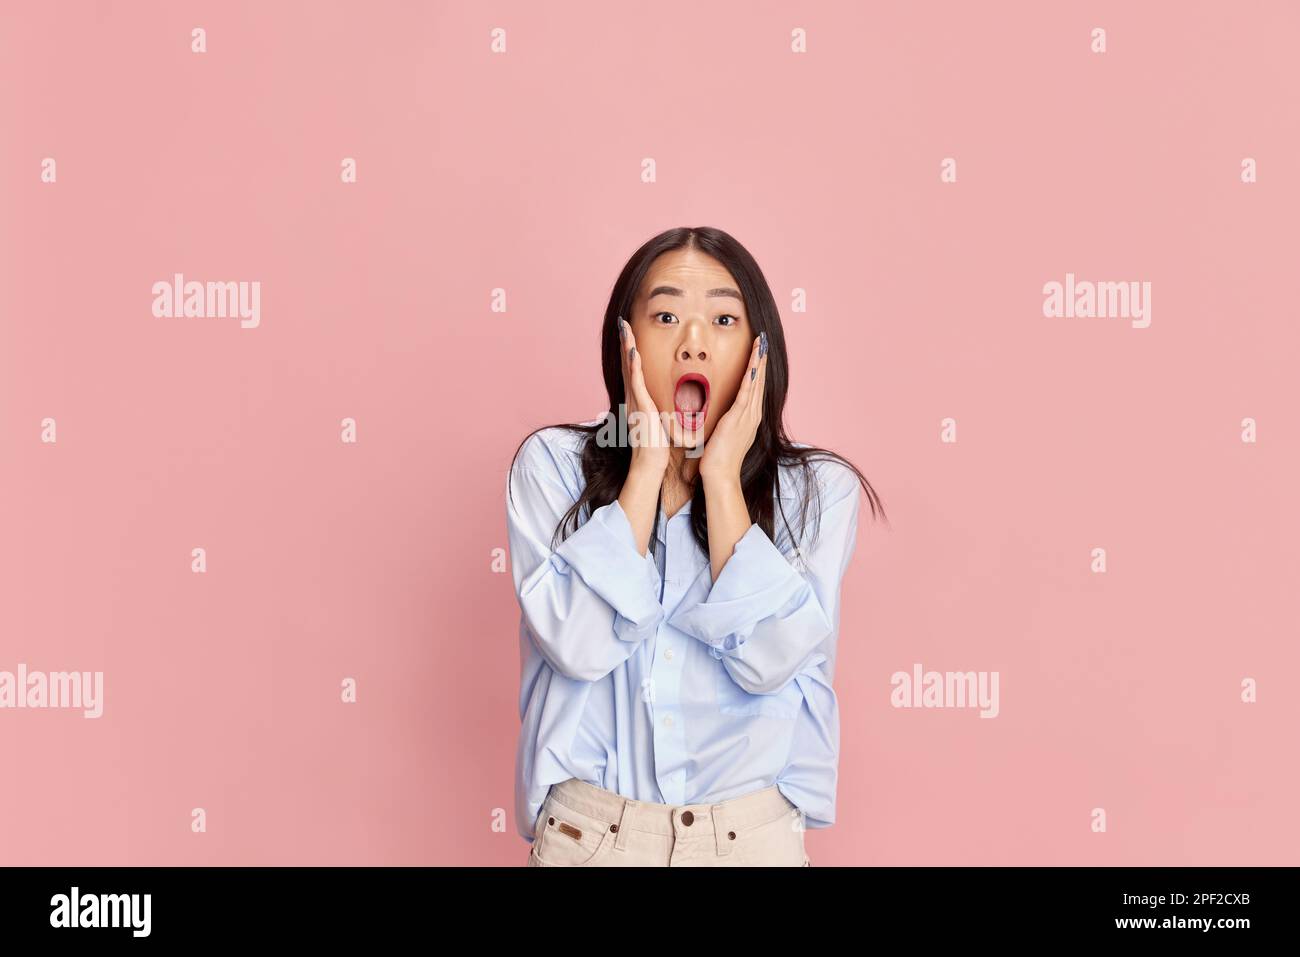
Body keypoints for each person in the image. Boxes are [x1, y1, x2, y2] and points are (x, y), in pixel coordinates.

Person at [505, 226, 886, 866]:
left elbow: (768, 660)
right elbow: (576, 644)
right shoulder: (552, 466)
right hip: (591, 838)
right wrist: (648, 466)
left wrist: (720, 479)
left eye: (723, 317)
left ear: (759, 350)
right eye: (665, 315)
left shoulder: (819, 492)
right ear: (624, 341)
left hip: (751, 840)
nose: (694, 342)